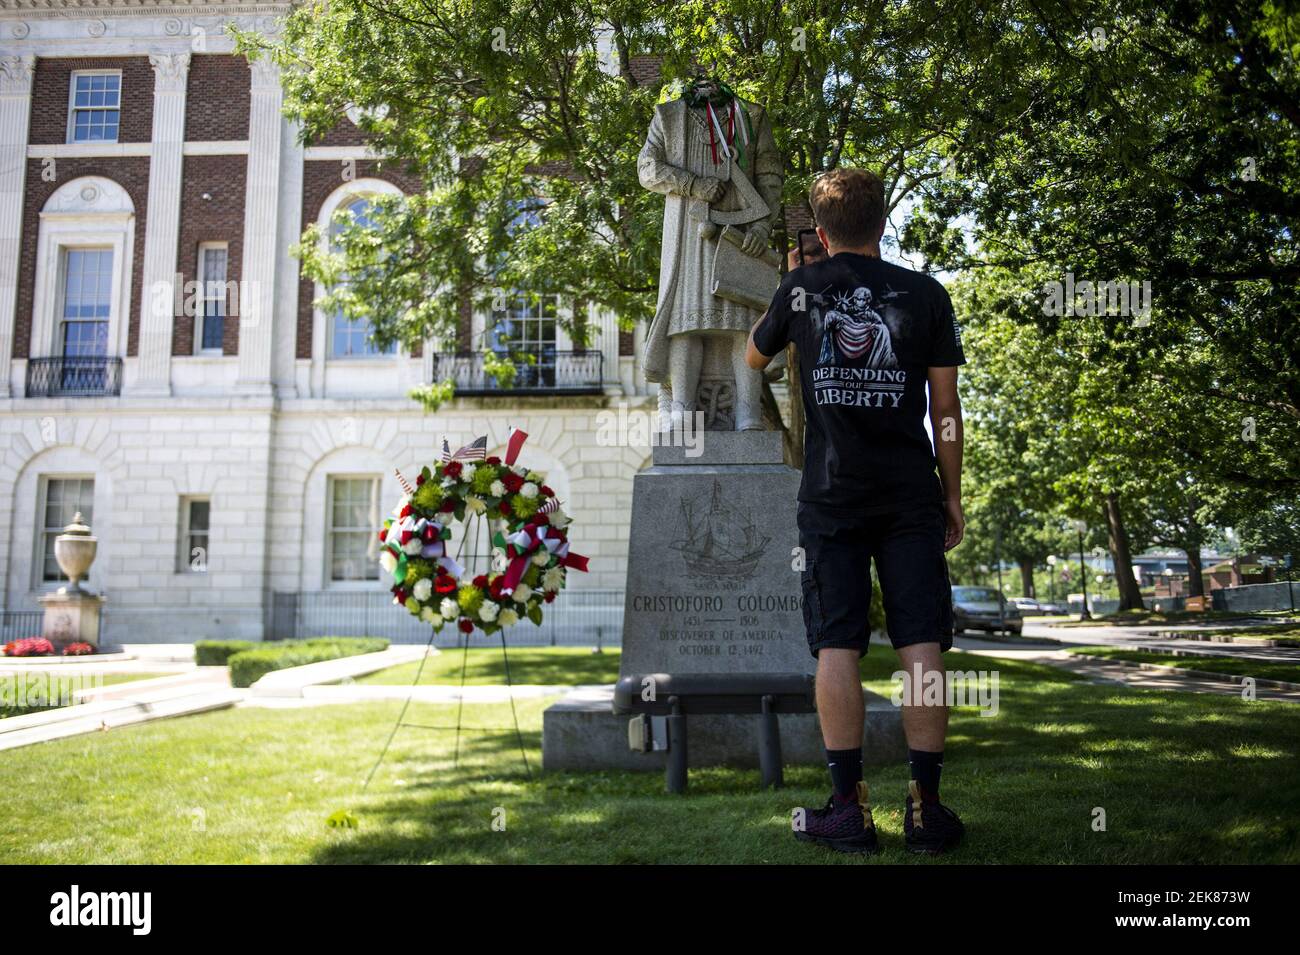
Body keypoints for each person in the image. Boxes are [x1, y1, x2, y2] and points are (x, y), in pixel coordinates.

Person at [746, 167, 967, 855]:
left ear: (819, 230)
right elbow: (947, 412)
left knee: (837, 644)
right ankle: (926, 809)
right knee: (919, 644)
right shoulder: (926, 294)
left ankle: (848, 808)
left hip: (832, 497)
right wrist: (953, 495)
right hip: (910, 496)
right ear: (883, 223)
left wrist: (794, 284)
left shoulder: (801, 289)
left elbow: (750, 356)